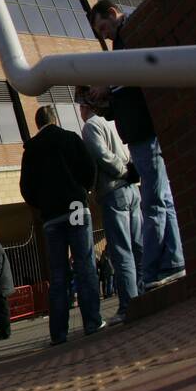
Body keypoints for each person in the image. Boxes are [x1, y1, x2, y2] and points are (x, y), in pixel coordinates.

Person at [88, 0, 186, 291]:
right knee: (161, 199)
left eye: (103, 27)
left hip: (144, 130)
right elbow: (127, 94)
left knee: (153, 202)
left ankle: (155, 268)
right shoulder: (122, 41)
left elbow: (137, 72)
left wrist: (108, 87)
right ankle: (173, 260)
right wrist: (106, 100)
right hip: (140, 129)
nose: (104, 35)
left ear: (113, 14)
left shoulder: (129, 35)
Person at [20, 105, 104, 344]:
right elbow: (89, 167)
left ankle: (59, 333)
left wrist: (43, 205)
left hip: (51, 217)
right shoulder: (69, 138)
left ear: (37, 124)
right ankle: (92, 322)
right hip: (75, 207)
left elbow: (26, 188)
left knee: (57, 275)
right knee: (85, 264)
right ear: (55, 119)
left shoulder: (31, 150)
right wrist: (83, 190)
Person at [77, 86, 143, 323]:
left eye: (81, 107)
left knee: (121, 250)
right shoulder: (111, 124)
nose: (80, 112)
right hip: (132, 191)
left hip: (114, 190)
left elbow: (102, 156)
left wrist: (122, 171)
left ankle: (129, 305)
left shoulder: (91, 126)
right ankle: (143, 296)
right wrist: (130, 171)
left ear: (86, 107)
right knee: (137, 246)